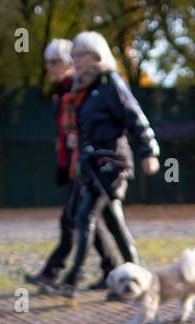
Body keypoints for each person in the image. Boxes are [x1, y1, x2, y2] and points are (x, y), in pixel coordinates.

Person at [50, 31, 160, 297]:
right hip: (92, 166)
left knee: (84, 216)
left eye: (80, 55)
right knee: (114, 223)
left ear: (96, 55)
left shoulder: (111, 85)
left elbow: (136, 118)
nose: (75, 60)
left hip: (112, 165)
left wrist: (149, 152)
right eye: (73, 55)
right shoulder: (86, 88)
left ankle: (71, 281)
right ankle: (139, 277)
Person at [26, 38, 117, 290]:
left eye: (55, 62)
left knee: (74, 219)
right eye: (48, 63)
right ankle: (111, 270)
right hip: (80, 166)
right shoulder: (64, 94)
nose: (50, 68)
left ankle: (59, 274)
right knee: (90, 220)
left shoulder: (78, 92)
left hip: (91, 166)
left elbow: (82, 132)